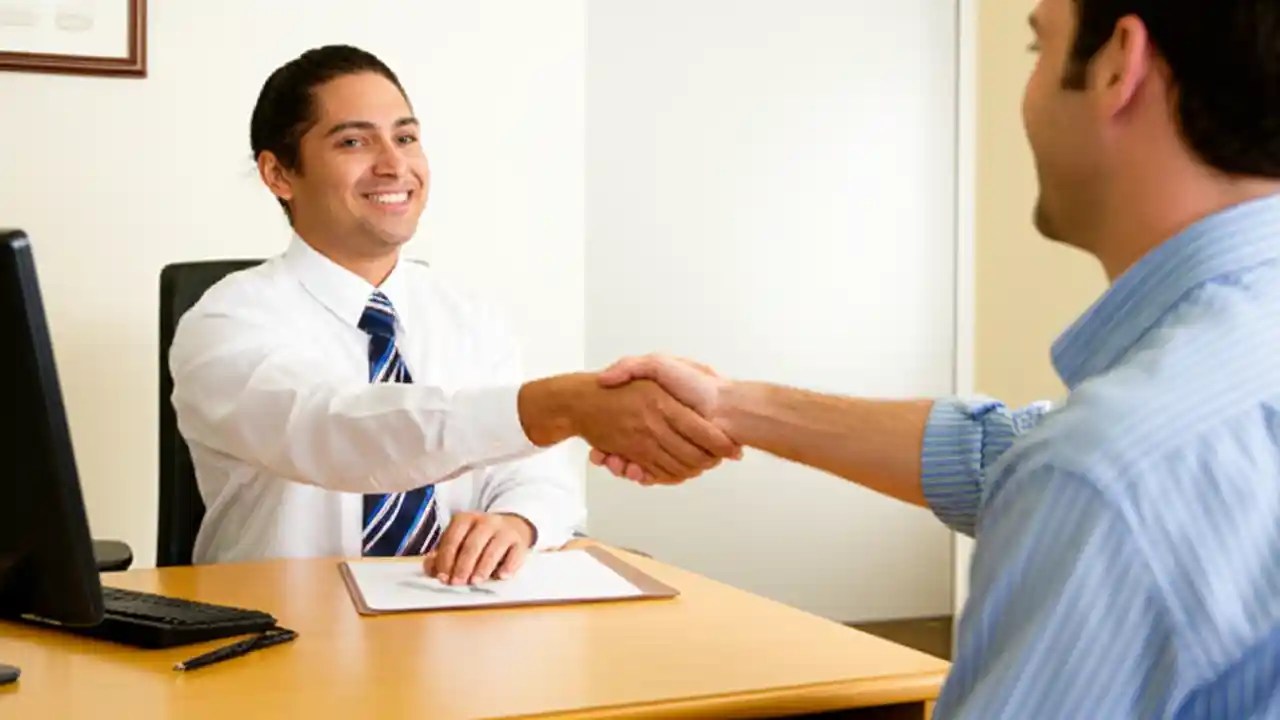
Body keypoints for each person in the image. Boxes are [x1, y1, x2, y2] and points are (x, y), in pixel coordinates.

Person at [592, 0, 1280, 716]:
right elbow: (1014, 459)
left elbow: (1087, 477)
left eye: (1036, 47)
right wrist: (732, 406)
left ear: (1116, 66)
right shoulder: (1194, 408)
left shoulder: (1107, 471)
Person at [170, 45, 739, 585]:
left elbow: (536, 473)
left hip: (458, 621)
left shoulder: (468, 312)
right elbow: (338, 431)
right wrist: (558, 405)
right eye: (352, 142)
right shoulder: (225, 320)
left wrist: (517, 522)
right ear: (278, 174)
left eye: (407, 137)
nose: (395, 165)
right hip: (283, 637)